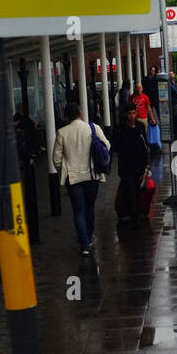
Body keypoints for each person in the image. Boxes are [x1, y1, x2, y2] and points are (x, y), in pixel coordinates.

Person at [53, 103, 108, 255]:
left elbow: (56, 158)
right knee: (90, 207)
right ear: (80, 114)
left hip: (73, 178)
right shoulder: (93, 128)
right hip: (92, 175)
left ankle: (84, 245)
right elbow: (107, 146)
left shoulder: (62, 132)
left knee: (78, 210)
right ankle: (89, 237)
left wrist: (63, 168)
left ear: (66, 117)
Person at [112, 101, 149, 224]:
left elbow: (144, 145)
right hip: (126, 165)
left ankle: (133, 212)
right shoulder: (120, 128)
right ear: (125, 114)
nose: (132, 116)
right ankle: (135, 218)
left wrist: (146, 163)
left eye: (134, 113)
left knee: (137, 190)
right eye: (129, 114)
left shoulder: (140, 127)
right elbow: (114, 145)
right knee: (131, 190)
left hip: (139, 165)